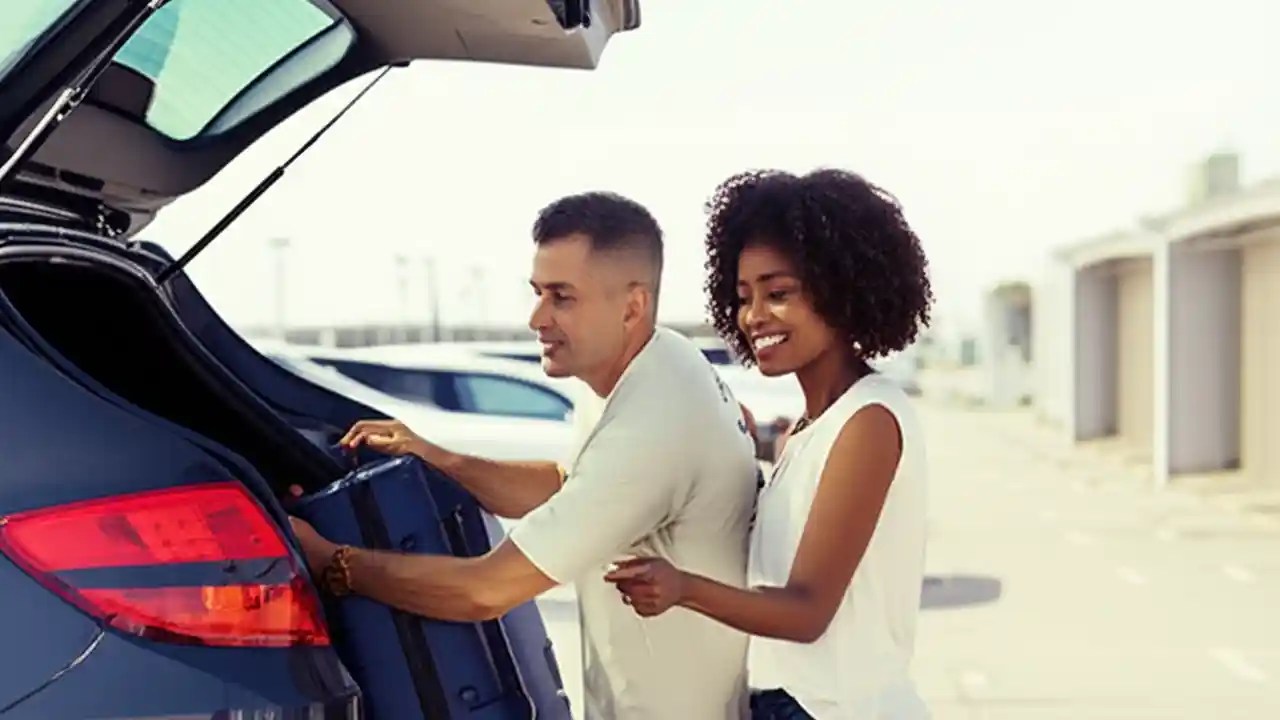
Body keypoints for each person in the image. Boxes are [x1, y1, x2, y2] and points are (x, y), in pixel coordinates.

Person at [288, 191, 760, 719]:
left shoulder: (657, 421)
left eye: (562, 297)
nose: (536, 317)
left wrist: (333, 563)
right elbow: (571, 486)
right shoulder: (654, 360)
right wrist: (437, 457)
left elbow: (486, 589)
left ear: (632, 306)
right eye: (537, 292)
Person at [605, 168, 935, 719]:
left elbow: (806, 612)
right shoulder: (803, 431)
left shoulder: (868, 421)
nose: (755, 316)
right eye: (743, 297)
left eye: (779, 293)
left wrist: (684, 588)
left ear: (843, 290)